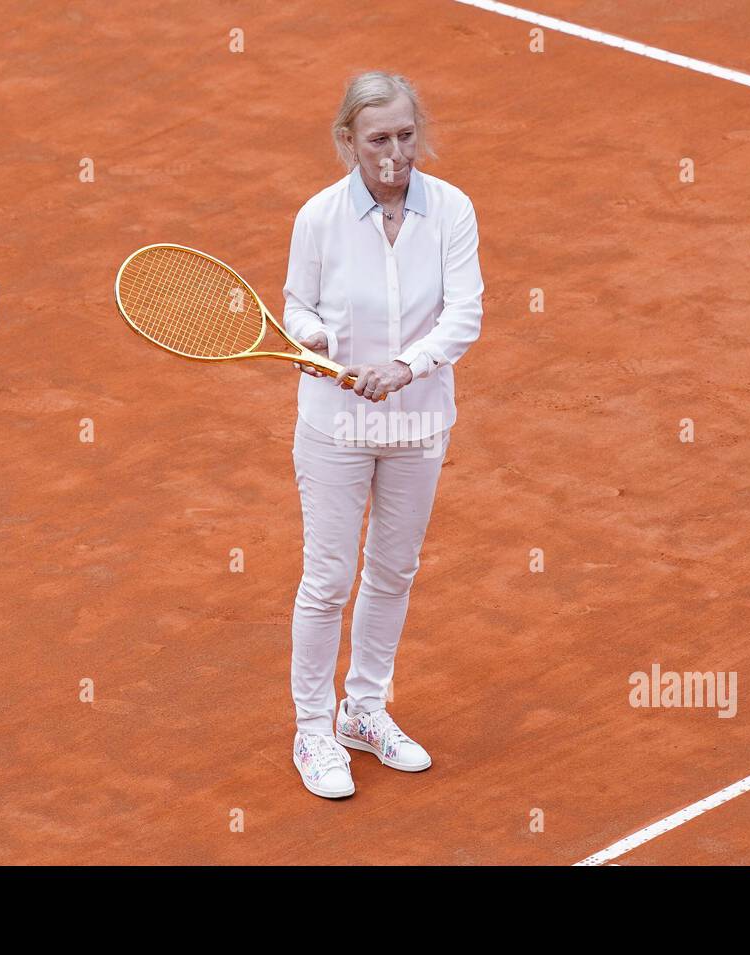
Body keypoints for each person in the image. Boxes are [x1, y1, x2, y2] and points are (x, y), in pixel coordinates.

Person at [282, 71, 484, 798]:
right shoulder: (319, 217)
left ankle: (362, 710)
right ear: (348, 142)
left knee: (394, 570)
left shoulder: (453, 211)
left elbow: (464, 314)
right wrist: (318, 338)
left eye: (405, 135)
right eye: (378, 140)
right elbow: (296, 305)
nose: (395, 153)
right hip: (335, 426)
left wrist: (405, 366)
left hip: (420, 419)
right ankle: (312, 728)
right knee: (329, 578)